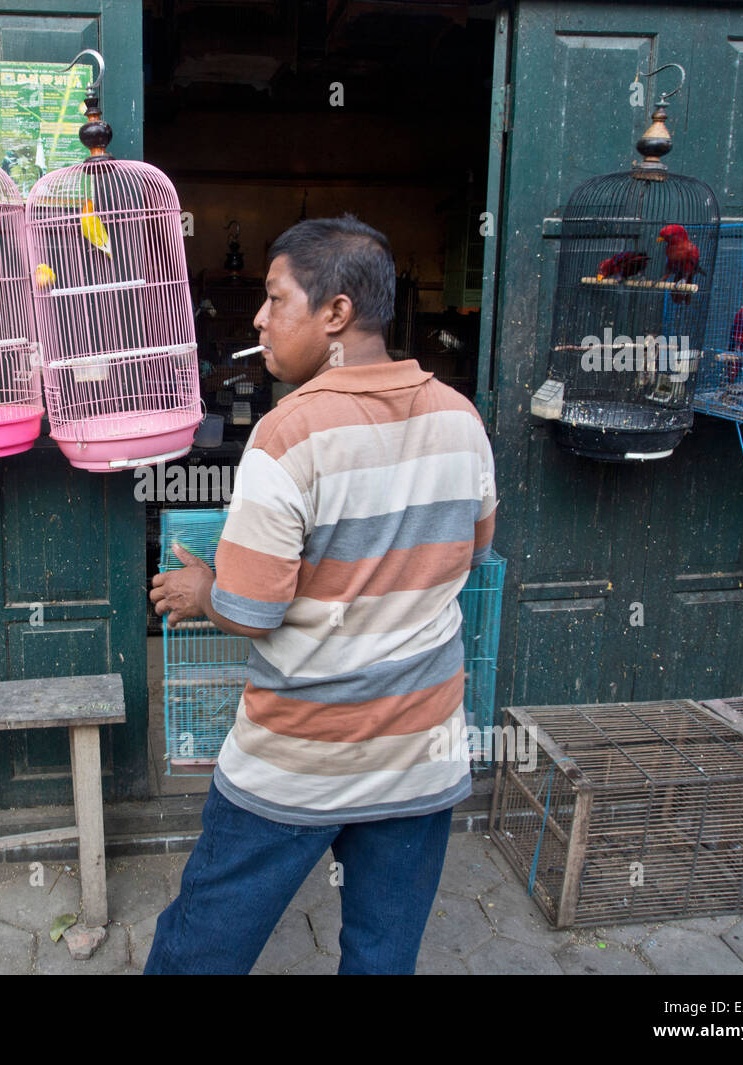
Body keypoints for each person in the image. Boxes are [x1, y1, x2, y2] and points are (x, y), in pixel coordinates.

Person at [145, 214, 497, 975]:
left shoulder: (288, 433)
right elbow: (470, 553)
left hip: (298, 760)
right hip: (417, 756)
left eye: (277, 300)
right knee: (381, 955)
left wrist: (203, 586)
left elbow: (249, 610)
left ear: (336, 313)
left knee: (201, 946)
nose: (260, 319)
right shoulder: (462, 420)